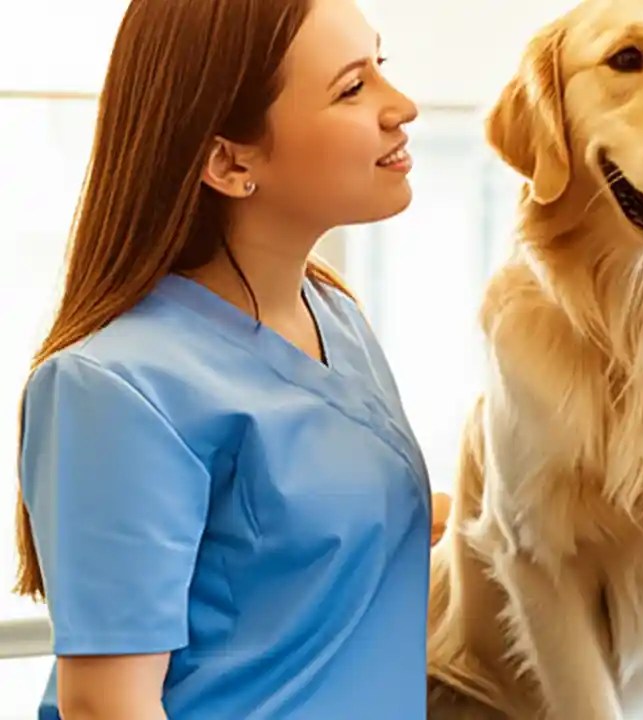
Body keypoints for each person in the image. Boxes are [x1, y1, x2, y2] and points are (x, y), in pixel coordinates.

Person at [14, 0, 447, 717]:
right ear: (230, 160)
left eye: (381, 66)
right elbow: (105, 707)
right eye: (352, 87)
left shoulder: (333, 317)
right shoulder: (115, 387)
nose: (401, 106)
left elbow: (312, 538)